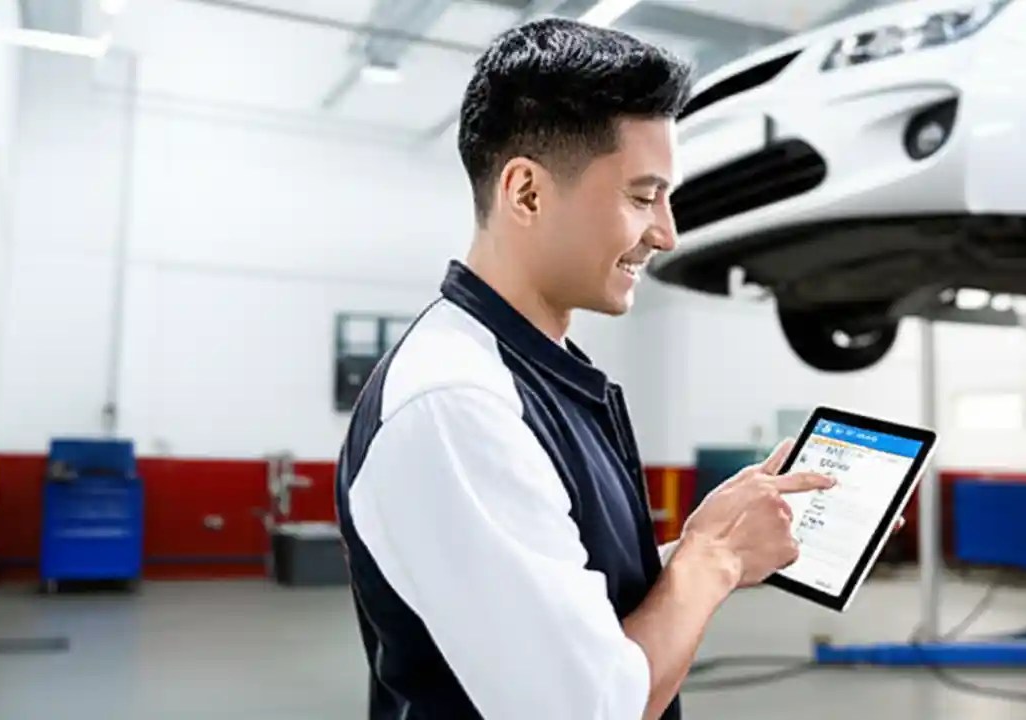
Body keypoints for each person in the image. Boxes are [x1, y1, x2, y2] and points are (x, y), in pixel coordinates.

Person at [334, 17, 835, 720]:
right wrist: (710, 561)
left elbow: (569, 610)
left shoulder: (537, 372)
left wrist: (708, 538)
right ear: (527, 194)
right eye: (642, 196)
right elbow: (588, 708)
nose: (666, 232)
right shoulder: (457, 402)